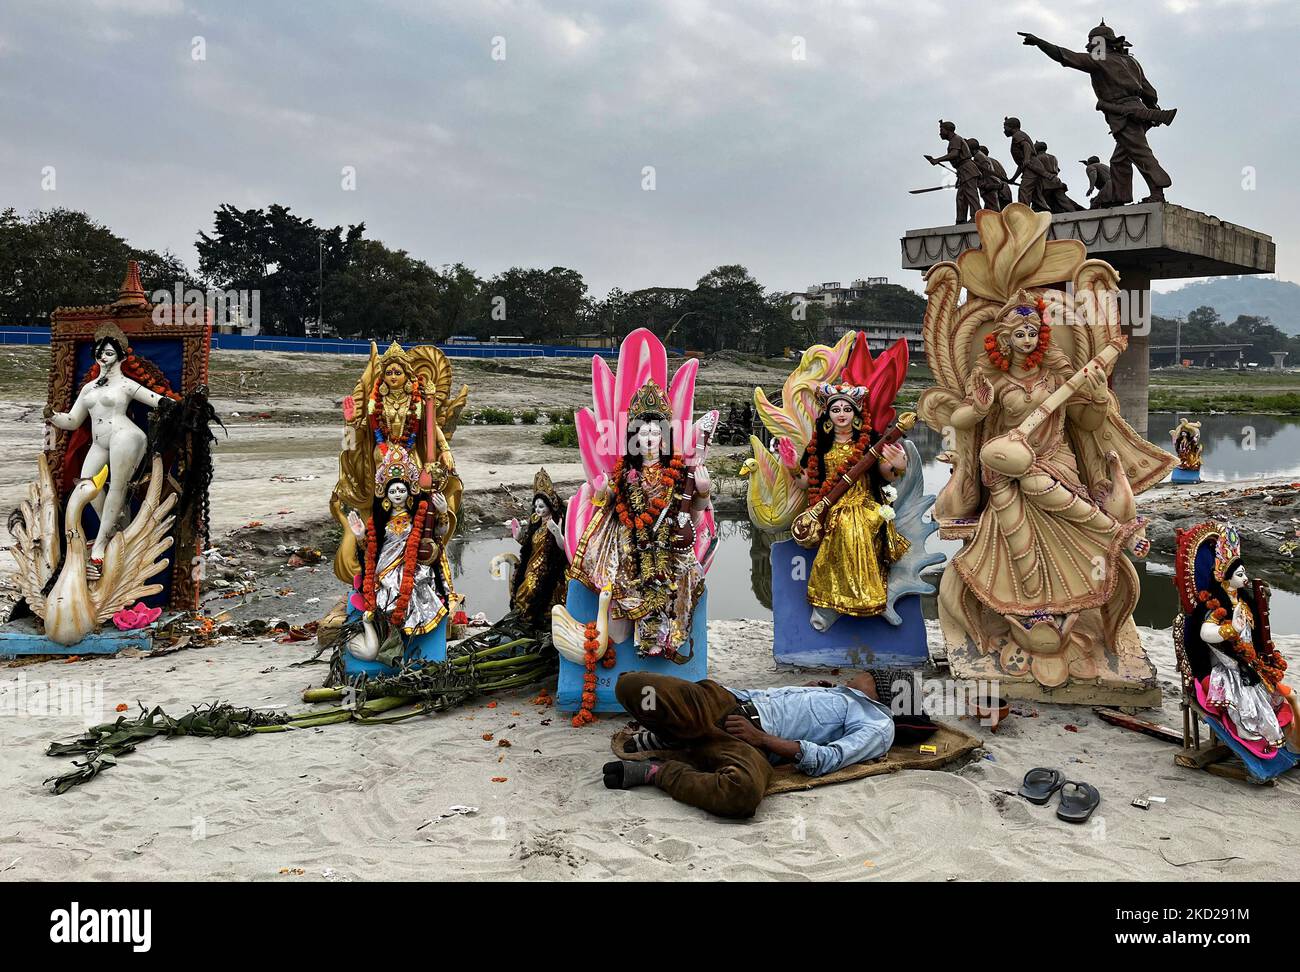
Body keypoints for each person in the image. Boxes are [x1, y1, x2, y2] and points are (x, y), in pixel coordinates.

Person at [603, 671, 896, 818]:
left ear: (882, 687)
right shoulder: (836, 690)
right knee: (632, 687)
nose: (863, 671)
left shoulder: (878, 723)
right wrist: (719, 695)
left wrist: (762, 739)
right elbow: (766, 695)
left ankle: (657, 773)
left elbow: (829, 757)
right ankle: (673, 734)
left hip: (751, 743)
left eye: (871, 673)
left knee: (741, 796)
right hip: (725, 703)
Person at [1019, 21, 1176, 204]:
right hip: (1137, 113)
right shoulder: (1132, 62)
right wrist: (1151, 112)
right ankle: (1119, 197)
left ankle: (1158, 191)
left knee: (1140, 153)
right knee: (1119, 161)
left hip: (1123, 116)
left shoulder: (1099, 59)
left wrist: (1039, 42)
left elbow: (1065, 56)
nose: (1090, 47)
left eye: (1092, 43)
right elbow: (1150, 93)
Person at [925, 120, 980, 224]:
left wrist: (937, 160)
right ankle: (961, 220)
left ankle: (977, 216)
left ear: (948, 130)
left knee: (971, 194)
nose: (940, 133)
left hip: (967, 170)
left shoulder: (955, 139)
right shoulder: (954, 140)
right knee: (961, 196)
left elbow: (954, 154)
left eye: (941, 130)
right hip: (962, 171)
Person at [1003, 117, 1045, 210]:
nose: (1004, 131)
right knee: (1036, 194)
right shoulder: (1019, 135)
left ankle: (1024, 212)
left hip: (1032, 167)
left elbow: (1026, 146)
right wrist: (1013, 179)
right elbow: (1021, 165)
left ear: (1011, 127)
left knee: (1024, 190)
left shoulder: (1017, 135)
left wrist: (1026, 159)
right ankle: (1044, 209)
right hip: (1033, 167)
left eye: (1005, 128)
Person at [1032, 141, 1084, 213]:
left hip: (1044, 182)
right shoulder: (1053, 157)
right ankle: (1073, 212)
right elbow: (1058, 170)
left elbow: (1036, 171)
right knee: (1063, 200)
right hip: (1055, 180)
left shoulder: (1037, 158)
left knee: (1041, 201)